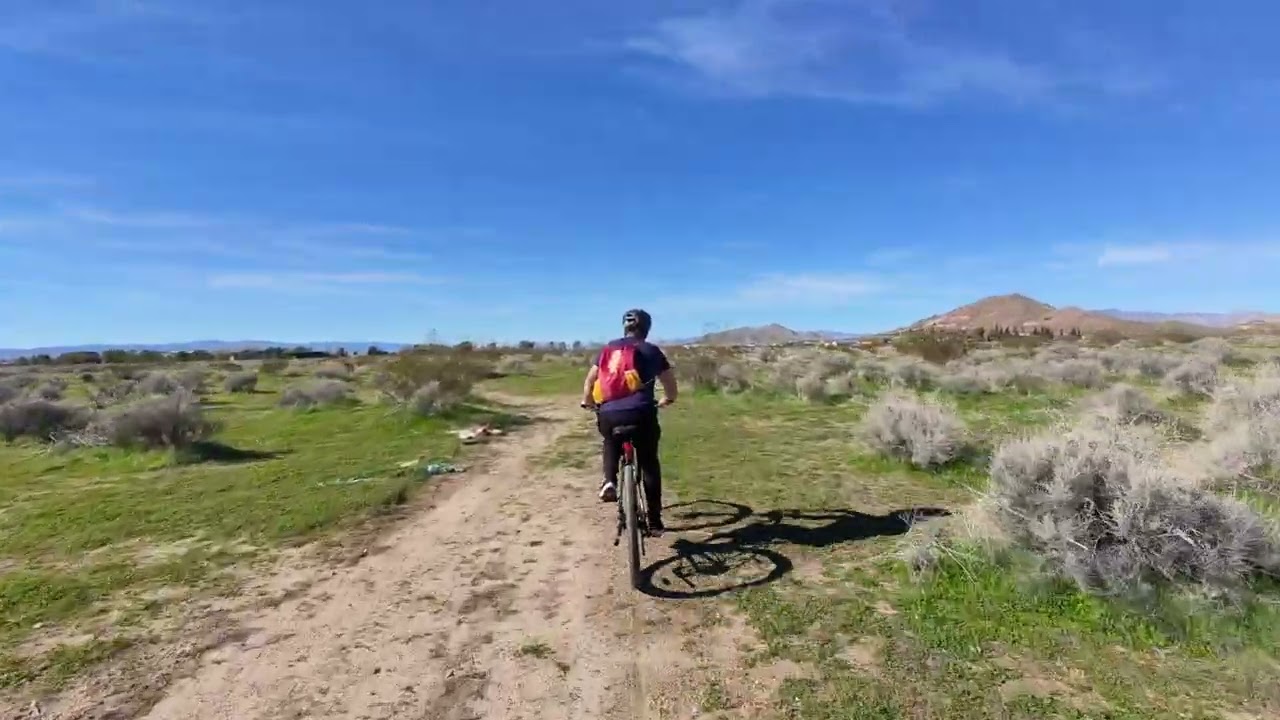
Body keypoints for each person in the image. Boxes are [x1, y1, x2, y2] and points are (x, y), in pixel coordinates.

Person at [581, 308, 678, 534]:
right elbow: (670, 385)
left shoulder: (608, 349)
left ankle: (609, 481)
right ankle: (654, 522)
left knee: (610, 439)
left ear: (624, 326)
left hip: (609, 413)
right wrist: (668, 399)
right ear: (646, 328)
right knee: (649, 463)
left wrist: (588, 401)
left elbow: (590, 381)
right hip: (642, 413)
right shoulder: (652, 350)